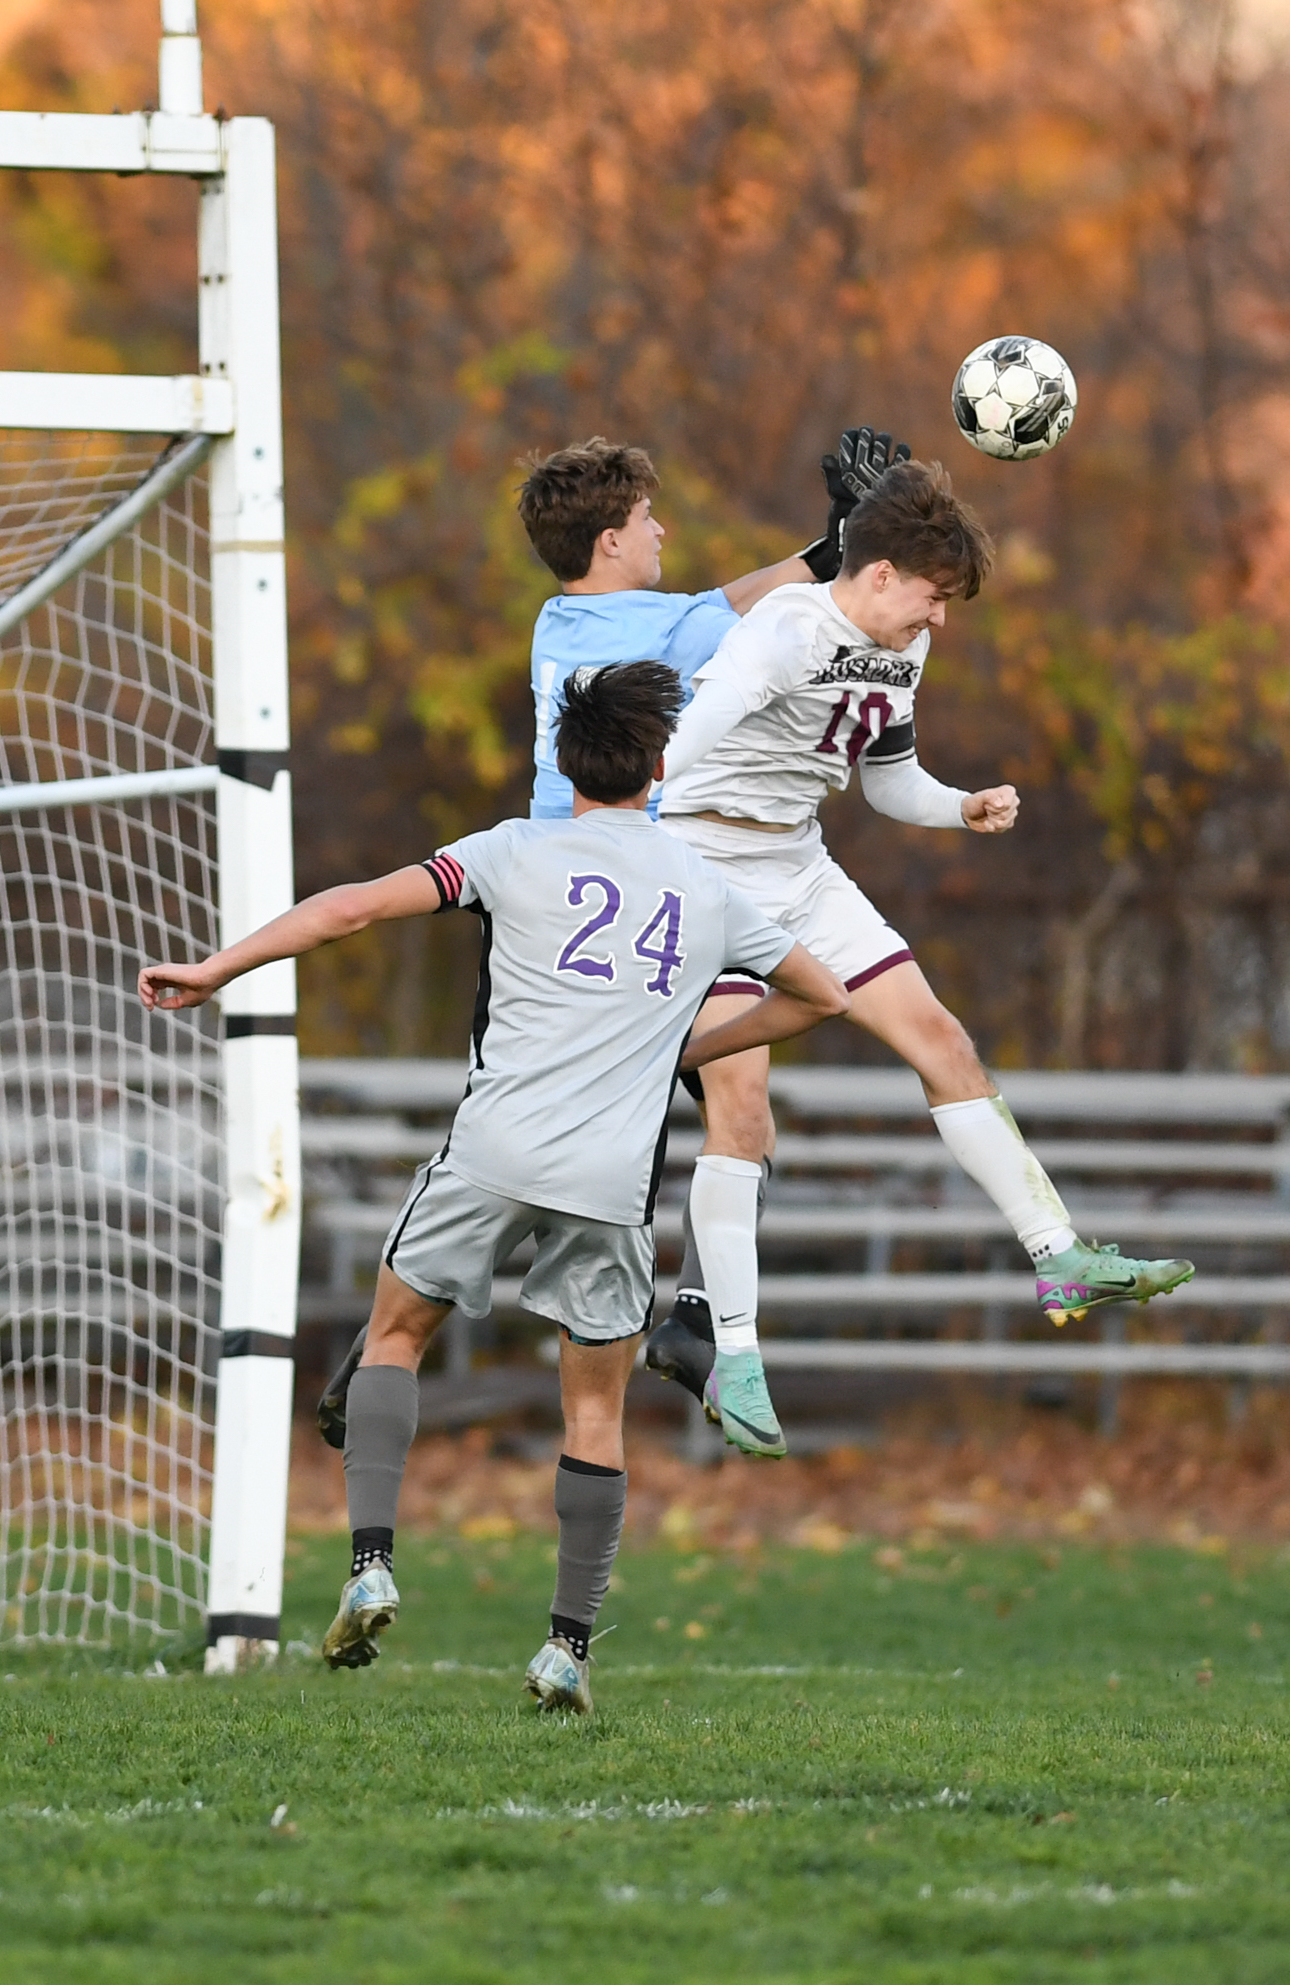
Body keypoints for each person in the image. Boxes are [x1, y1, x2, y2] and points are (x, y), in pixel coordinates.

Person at [138, 662, 848, 1713]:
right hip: (611, 1177)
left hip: (491, 1152)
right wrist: (685, 1047)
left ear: (564, 765)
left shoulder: (510, 850)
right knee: (593, 1407)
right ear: (659, 767)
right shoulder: (705, 887)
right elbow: (822, 995)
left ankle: (371, 1559)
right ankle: (565, 1646)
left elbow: (348, 911)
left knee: (391, 1334)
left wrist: (216, 968)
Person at [646, 456, 1196, 1411]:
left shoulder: (901, 643)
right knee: (743, 1110)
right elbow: (683, 744)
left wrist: (958, 807)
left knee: (941, 1040)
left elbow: (886, 777)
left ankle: (1058, 1257)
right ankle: (730, 1354)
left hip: (800, 866)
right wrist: (610, 831)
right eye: (933, 597)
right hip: (704, 871)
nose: (939, 618)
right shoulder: (784, 628)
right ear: (879, 572)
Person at [517, 429, 900, 1449]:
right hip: (620, 923)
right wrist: (843, 542)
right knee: (575, 1147)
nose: (661, 530)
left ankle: (695, 1321)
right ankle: (420, 1309)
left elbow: (720, 605)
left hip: (636, 909)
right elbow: (761, 603)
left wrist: (831, 544)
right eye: (646, 519)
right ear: (608, 539)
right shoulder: (649, 627)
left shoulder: (569, 617)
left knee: (740, 1102)